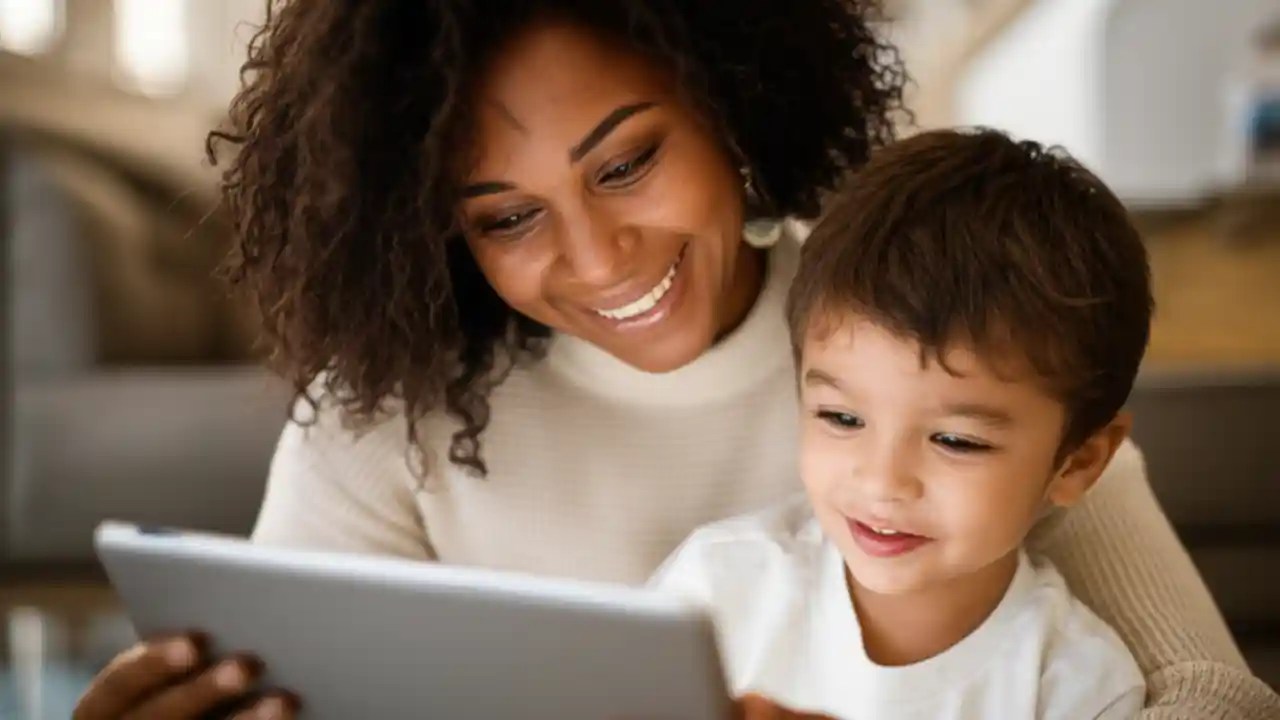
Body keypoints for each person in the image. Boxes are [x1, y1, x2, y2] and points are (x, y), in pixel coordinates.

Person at [73, 1, 1279, 719]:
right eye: (505, 216)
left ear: (725, 100)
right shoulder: (385, 417)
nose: (596, 256)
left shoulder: (926, 328)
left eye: (624, 163)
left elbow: (1212, 696)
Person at [651, 128, 1150, 719]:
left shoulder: (1078, 688)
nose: (883, 481)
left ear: (1079, 462)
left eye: (955, 441)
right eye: (841, 417)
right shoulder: (715, 593)